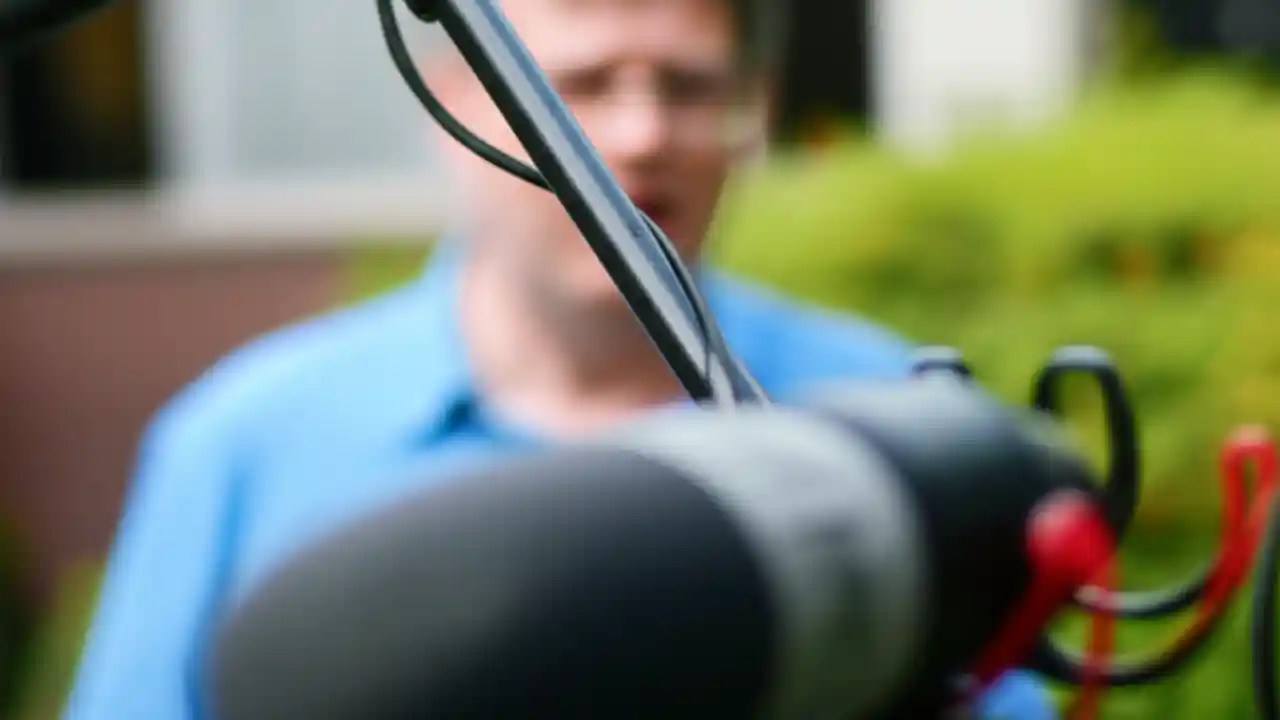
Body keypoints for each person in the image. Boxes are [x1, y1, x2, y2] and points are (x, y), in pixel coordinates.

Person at [65, 0, 1054, 717]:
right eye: (575, 87)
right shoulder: (243, 443)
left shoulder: (882, 413)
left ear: (753, 107)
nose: (640, 134)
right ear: (455, 108)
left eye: (687, 84)